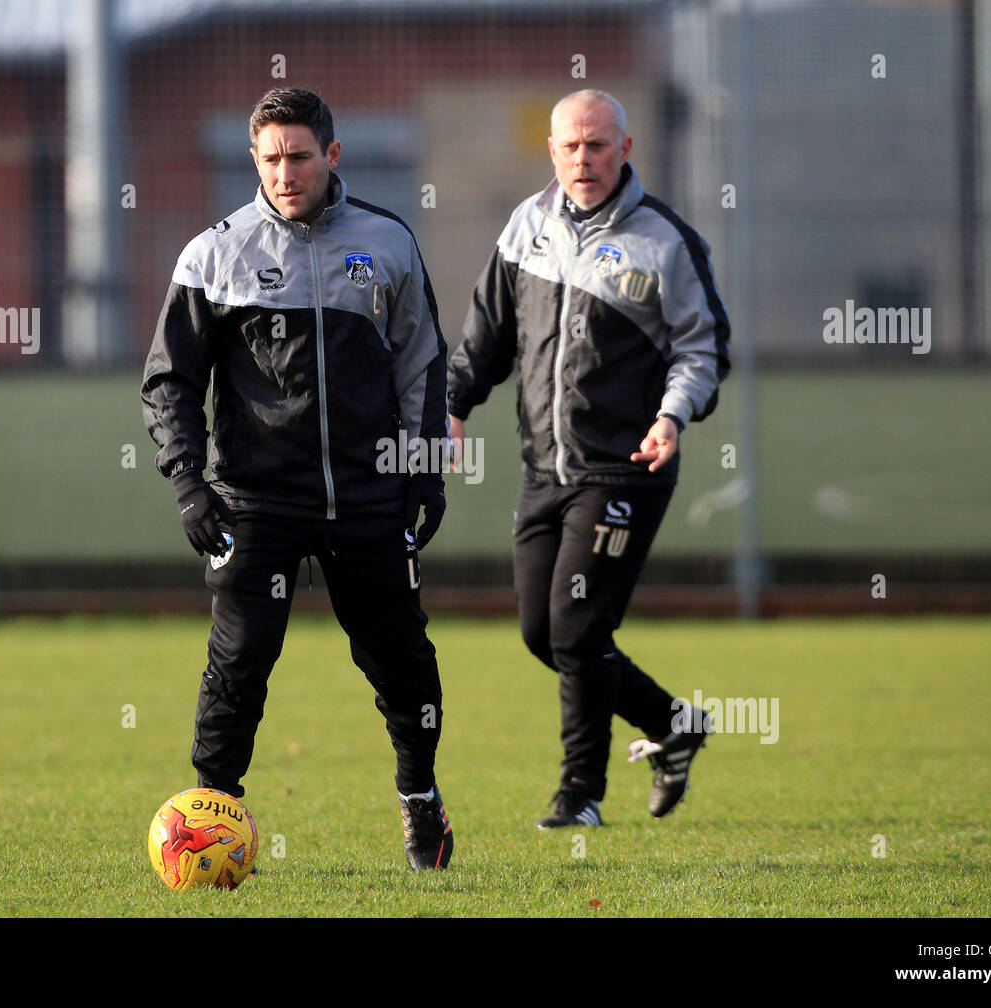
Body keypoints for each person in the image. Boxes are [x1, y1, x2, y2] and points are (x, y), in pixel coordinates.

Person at [141, 88, 453, 869]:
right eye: (272, 158)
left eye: (301, 156)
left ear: (333, 155)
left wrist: (422, 472)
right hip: (255, 501)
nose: (287, 172)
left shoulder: (386, 242)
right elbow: (169, 382)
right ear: (254, 159)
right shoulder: (213, 253)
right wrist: (187, 479)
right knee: (239, 660)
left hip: (368, 494)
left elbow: (423, 362)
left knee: (401, 660)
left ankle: (420, 799)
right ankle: (212, 818)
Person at [447, 89, 730, 828]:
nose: (584, 158)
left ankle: (580, 796)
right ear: (551, 150)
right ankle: (674, 723)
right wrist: (451, 404)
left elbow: (703, 350)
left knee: (575, 628)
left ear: (625, 150)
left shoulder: (667, 241)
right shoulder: (526, 226)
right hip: (544, 470)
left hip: (625, 471)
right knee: (543, 634)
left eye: (598, 145)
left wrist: (673, 415)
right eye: (571, 145)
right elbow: (487, 335)